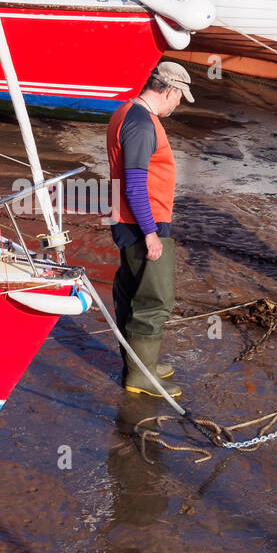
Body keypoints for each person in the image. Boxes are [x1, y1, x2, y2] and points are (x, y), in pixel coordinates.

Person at [106, 61, 194, 397]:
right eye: (179, 98)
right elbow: (135, 184)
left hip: (126, 217)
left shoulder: (126, 111)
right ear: (169, 91)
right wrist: (150, 232)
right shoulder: (142, 125)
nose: (178, 104)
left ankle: (140, 365)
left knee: (131, 294)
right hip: (143, 221)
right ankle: (140, 377)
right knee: (153, 300)